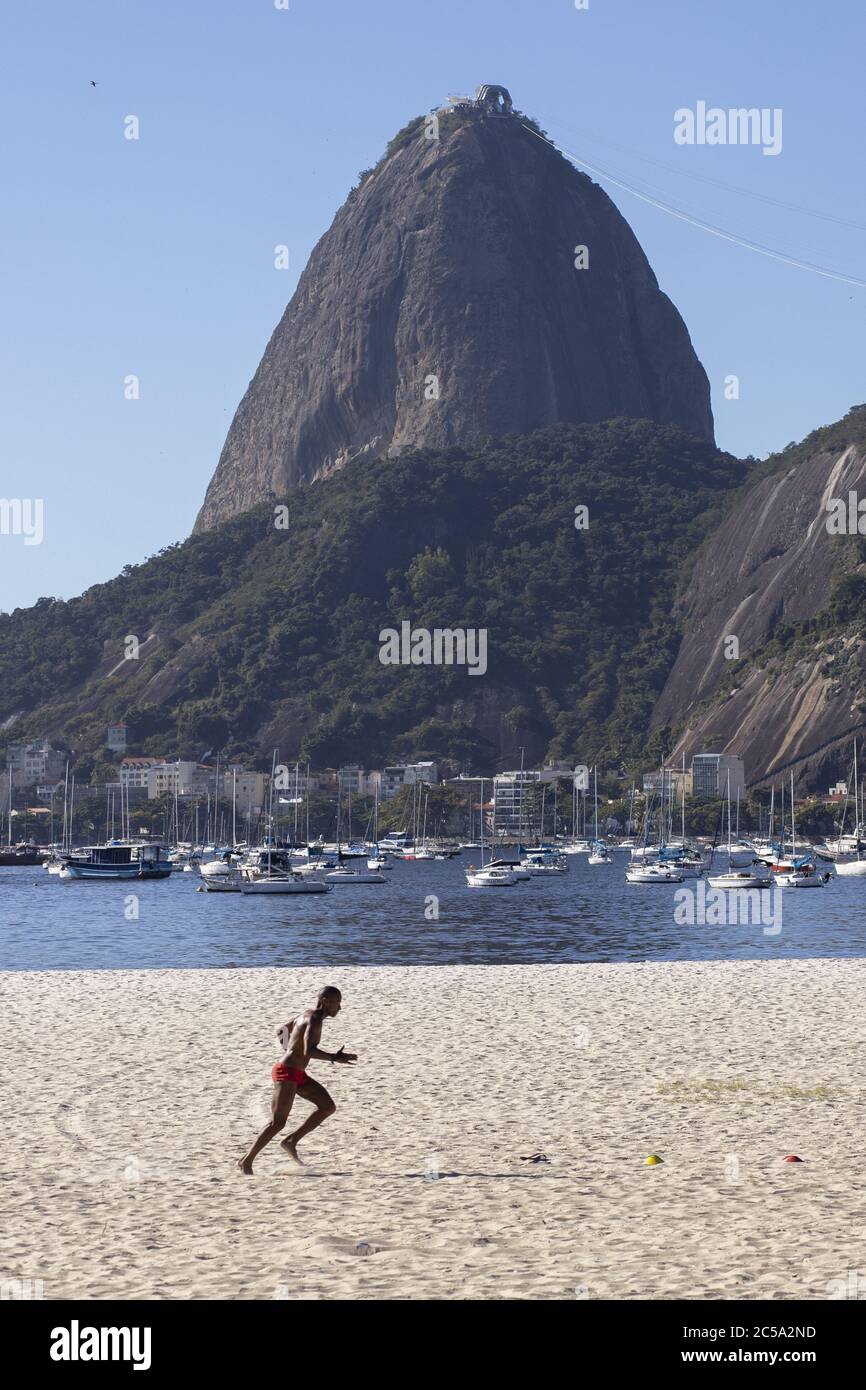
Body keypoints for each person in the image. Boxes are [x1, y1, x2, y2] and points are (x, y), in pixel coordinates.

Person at [238, 985, 356, 1174]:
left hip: (297, 1074)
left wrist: (289, 1050)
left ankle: (290, 1141)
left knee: (327, 1107)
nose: (339, 1008)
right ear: (325, 1001)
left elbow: (282, 1031)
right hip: (286, 1073)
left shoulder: (305, 1014)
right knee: (277, 1123)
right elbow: (308, 1051)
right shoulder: (315, 1020)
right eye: (337, 1003)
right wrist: (334, 1057)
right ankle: (246, 1161)